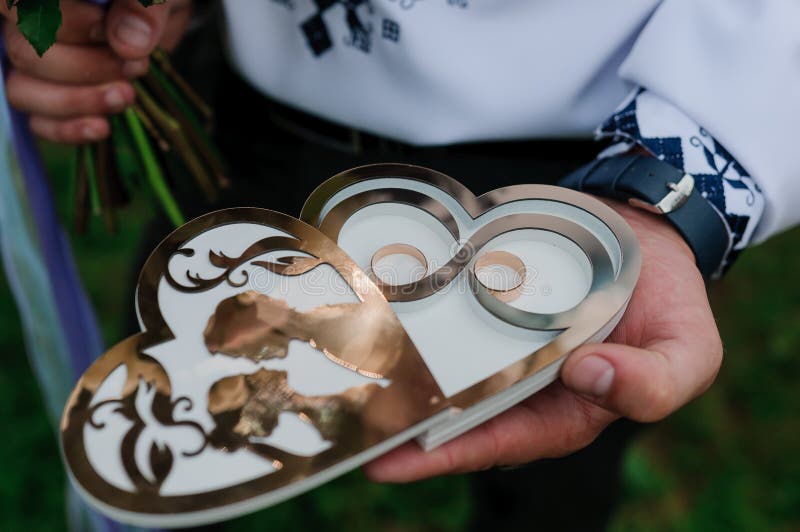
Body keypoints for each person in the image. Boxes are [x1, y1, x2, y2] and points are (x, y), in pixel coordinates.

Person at [2, 1, 797, 530]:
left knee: (552, 468)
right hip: (261, 114)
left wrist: (666, 191)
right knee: (182, 397)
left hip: (567, 179)